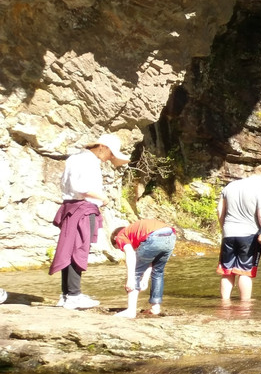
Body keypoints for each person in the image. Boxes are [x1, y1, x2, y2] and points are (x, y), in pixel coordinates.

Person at [49, 133, 130, 309]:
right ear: (102, 147)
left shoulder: (75, 158)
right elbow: (82, 188)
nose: (110, 158)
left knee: (70, 249)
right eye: (110, 153)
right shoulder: (89, 162)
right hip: (82, 209)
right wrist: (104, 198)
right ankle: (73, 295)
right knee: (78, 249)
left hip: (72, 207)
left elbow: (66, 184)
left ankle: (67, 294)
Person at [217, 164, 261, 302]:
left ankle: (225, 302)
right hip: (249, 235)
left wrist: (224, 228)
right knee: (244, 272)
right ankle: (245, 304)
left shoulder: (230, 186)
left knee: (227, 270)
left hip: (229, 233)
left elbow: (219, 210)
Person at [110, 218, 177, 318]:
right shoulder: (136, 233)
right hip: (170, 235)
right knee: (158, 272)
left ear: (115, 238)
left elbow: (130, 254)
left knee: (135, 273)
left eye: (119, 248)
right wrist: (145, 279)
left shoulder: (121, 235)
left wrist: (130, 279)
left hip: (154, 236)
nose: (121, 249)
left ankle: (131, 311)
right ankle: (155, 308)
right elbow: (149, 260)